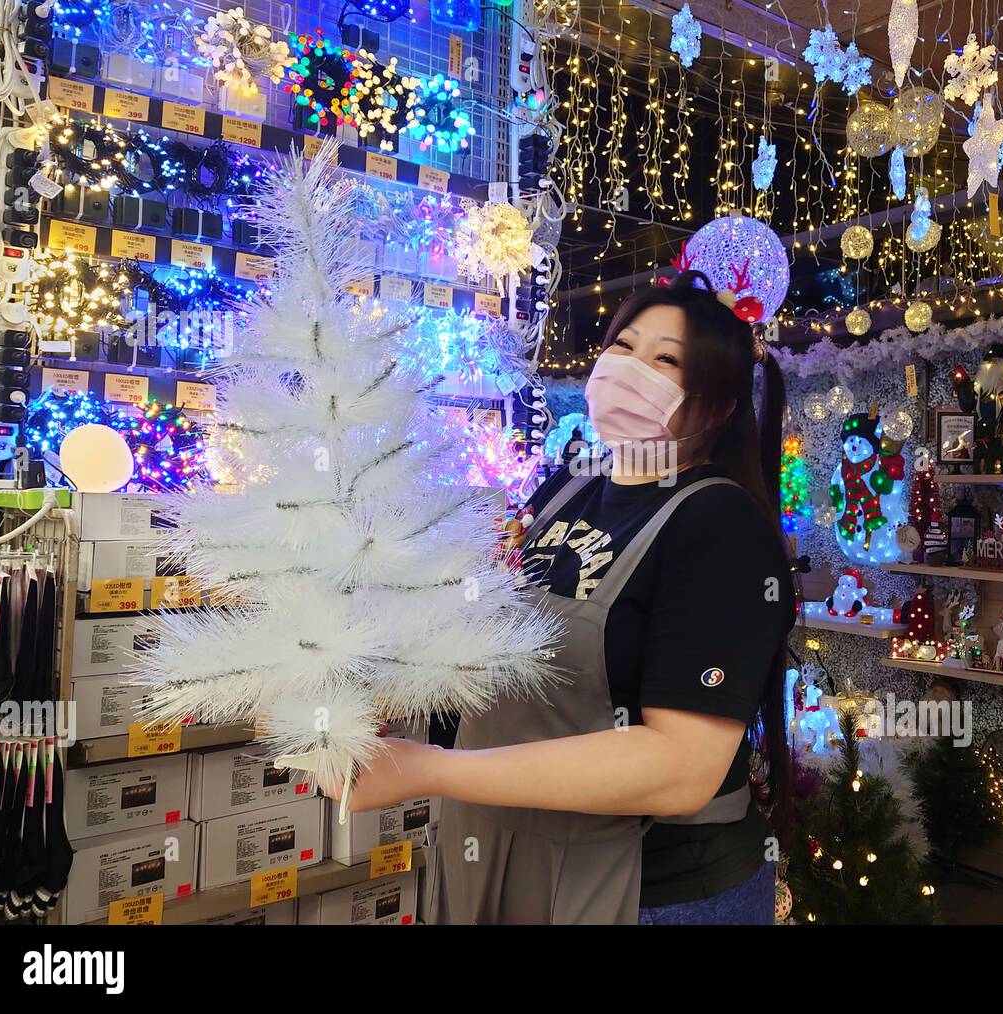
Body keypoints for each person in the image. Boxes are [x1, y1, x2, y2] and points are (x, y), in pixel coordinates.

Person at [321, 271, 796, 924]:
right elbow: (498, 635)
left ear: (716, 408)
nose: (630, 369)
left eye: (666, 361)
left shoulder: (719, 527)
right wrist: (386, 687)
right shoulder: (568, 488)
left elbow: (681, 768)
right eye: (623, 346)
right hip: (507, 852)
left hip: (647, 888)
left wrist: (429, 770)